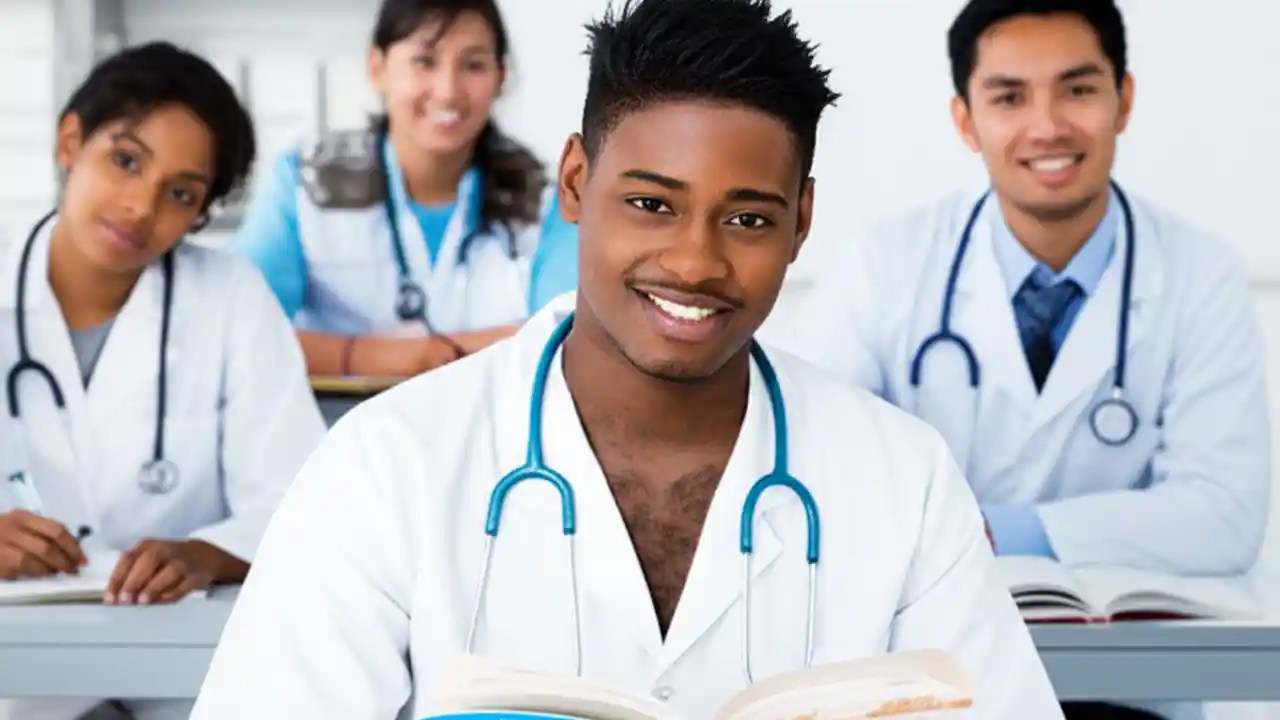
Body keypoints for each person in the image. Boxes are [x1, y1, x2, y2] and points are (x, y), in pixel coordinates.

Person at [190, 1, 1063, 717]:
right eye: (651, 203)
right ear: (575, 182)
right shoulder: (389, 465)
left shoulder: (903, 479)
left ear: (802, 222)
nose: (694, 262)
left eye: (749, 219)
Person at [765, 1, 1271, 718]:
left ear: (1123, 101)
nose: (1048, 126)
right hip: (932, 689)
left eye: (1078, 89)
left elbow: (1223, 515)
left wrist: (998, 530)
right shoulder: (888, 266)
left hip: (1132, 694)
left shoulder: (1198, 275)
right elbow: (810, 472)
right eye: (1009, 96)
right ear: (965, 120)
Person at [0, 42, 326, 719]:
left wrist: (208, 554)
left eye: (181, 193)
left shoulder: (232, 298)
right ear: (70, 142)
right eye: (125, 161)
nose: (140, 206)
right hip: (19, 663)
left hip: (186, 661)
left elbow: (297, 497)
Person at [229, 0, 580, 379]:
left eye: (473, 65)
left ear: (500, 76)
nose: (447, 91)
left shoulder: (547, 196)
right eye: (424, 61)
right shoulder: (305, 178)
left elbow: (566, 335)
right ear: (377, 68)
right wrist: (386, 358)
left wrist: (423, 356)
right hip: (333, 425)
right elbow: (242, 333)